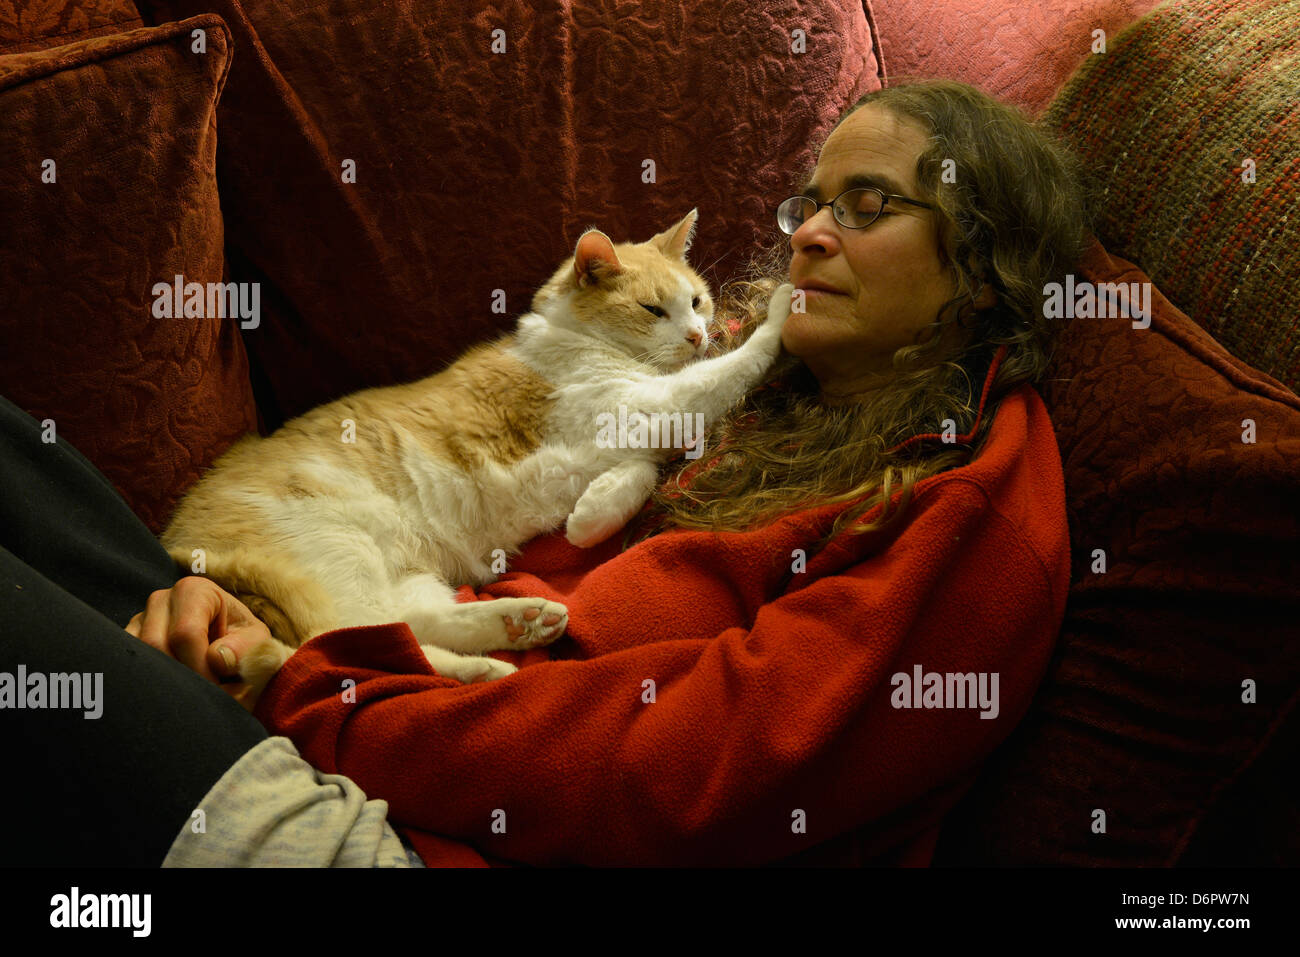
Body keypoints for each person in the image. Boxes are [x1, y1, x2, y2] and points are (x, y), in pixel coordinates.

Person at [3, 79, 1087, 866]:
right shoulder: (792, 393)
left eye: (865, 205)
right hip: (378, 690)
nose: (806, 237)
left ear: (985, 262)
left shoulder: (968, 510)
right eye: (808, 204)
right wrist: (233, 606)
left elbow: (661, 780)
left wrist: (305, 685)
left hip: (411, 823)